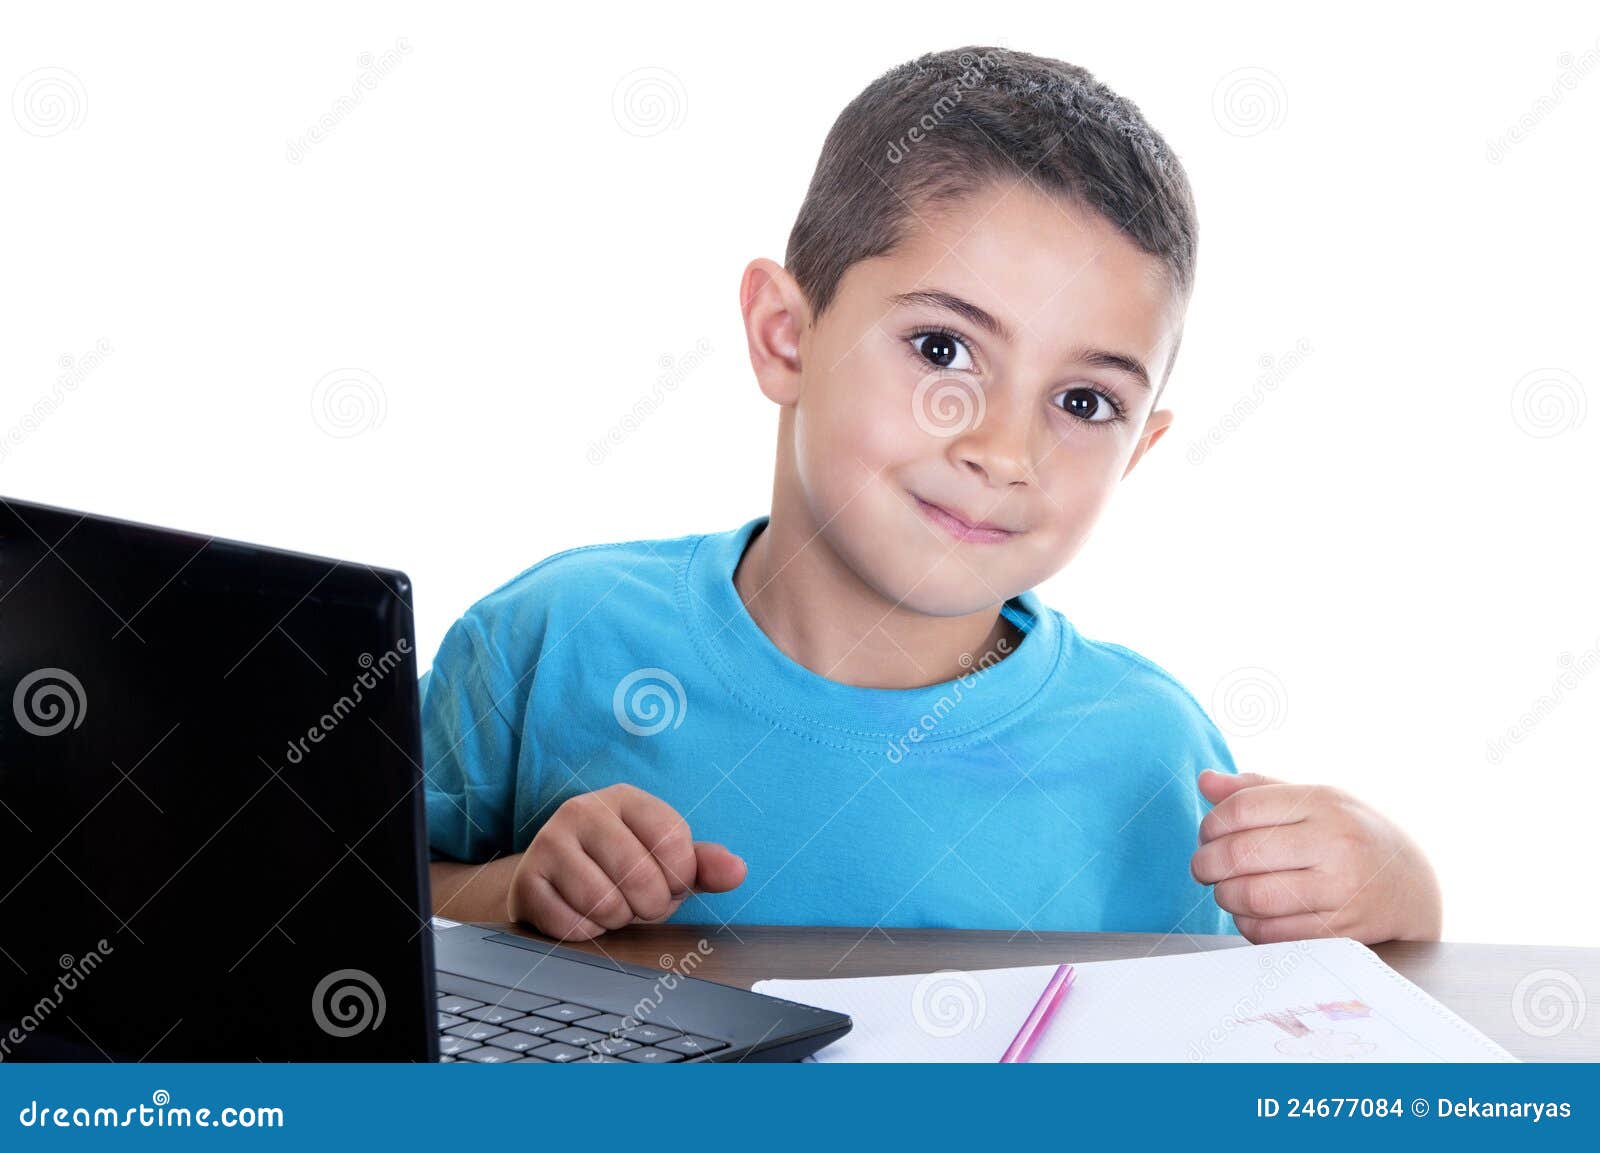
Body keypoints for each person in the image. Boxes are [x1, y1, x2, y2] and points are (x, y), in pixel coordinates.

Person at [421, 46, 1442, 947]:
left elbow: (1271, 1026)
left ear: (1137, 450)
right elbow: (336, 918)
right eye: (942, 348)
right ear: (786, 333)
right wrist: (514, 892)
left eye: (1084, 401)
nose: (1004, 449)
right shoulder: (553, 639)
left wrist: (1400, 899)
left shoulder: (1148, 756)